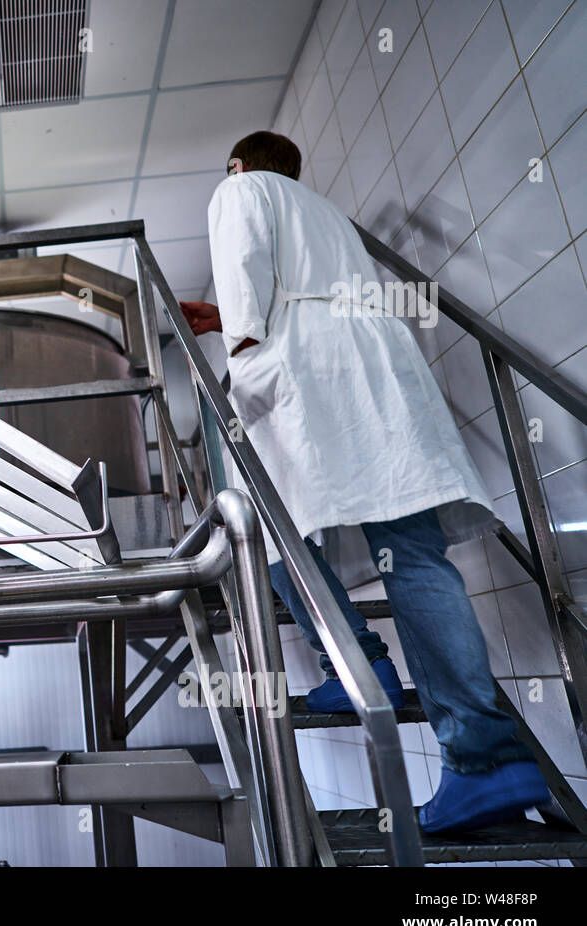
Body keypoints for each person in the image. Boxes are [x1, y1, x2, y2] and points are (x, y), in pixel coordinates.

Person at [180, 131, 547, 834]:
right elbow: (305, 294)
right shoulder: (322, 213)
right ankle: (484, 752)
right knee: (412, 553)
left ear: (236, 164)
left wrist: (245, 379)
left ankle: (360, 663)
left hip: (311, 383)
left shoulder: (237, 192)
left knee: (267, 531)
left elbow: (253, 293)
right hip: (377, 368)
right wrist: (235, 318)